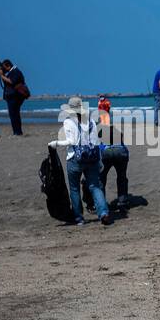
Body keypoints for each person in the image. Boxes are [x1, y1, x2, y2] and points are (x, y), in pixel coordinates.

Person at [48, 96, 112, 226]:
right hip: (92, 158)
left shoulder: (68, 121)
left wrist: (56, 143)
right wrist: (99, 160)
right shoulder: (91, 121)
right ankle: (104, 213)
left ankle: (79, 218)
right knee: (95, 186)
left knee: (75, 188)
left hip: (75, 159)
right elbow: (95, 142)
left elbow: (71, 141)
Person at [0, 59, 27, 135]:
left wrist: (2, 76)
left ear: (8, 66)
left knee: (14, 114)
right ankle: (16, 131)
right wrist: (2, 76)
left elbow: (11, 81)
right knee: (13, 114)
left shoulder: (15, 71)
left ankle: (17, 132)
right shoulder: (12, 72)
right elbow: (7, 83)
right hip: (12, 96)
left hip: (15, 96)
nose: (4, 70)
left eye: (4, 67)